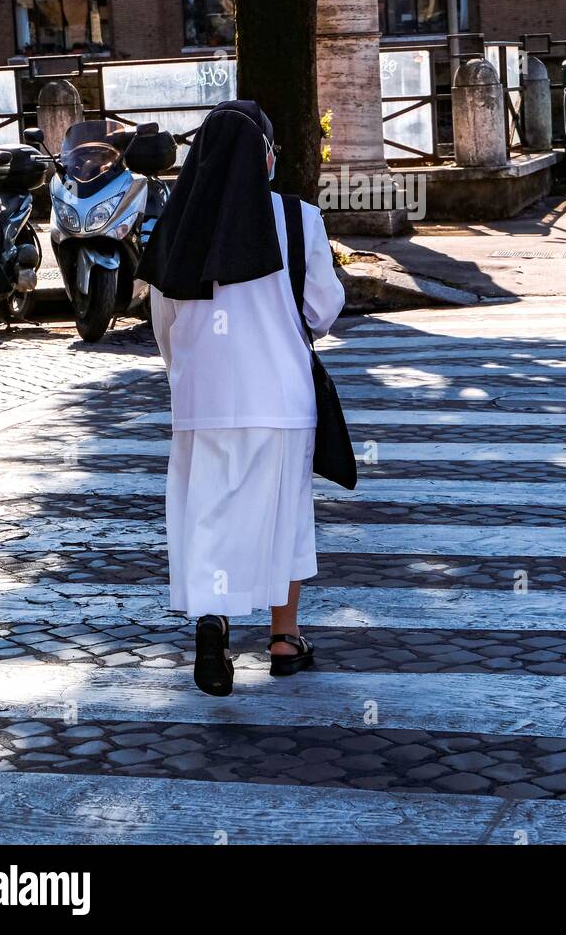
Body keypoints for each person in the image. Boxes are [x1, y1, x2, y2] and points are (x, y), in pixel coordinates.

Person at [137, 99, 345, 696]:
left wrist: (190, 377)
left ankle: (214, 620)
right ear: (266, 156)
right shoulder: (297, 218)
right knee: (285, 518)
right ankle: (284, 639)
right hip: (281, 400)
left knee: (209, 515)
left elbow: (165, 324)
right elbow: (322, 310)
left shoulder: (177, 225)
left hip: (203, 402)